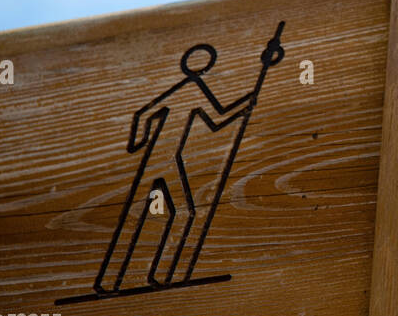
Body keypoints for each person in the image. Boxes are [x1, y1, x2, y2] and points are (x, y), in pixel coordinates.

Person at [94, 23, 285, 294]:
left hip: (161, 161)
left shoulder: (181, 91)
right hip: (166, 162)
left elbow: (143, 117)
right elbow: (218, 119)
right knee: (178, 213)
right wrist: (246, 104)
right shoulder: (192, 91)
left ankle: (117, 280)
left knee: (144, 215)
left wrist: (140, 141)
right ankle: (159, 276)